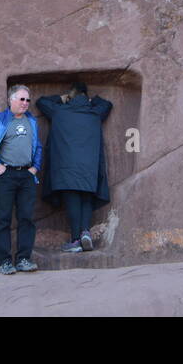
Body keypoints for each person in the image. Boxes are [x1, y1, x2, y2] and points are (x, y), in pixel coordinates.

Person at [37, 81, 112, 253]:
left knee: (72, 202)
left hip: (66, 167)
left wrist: (60, 98)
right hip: (89, 166)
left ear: (70, 96)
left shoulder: (59, 110)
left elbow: (41, 102)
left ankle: (76, 240)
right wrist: (92, 100)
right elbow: (107, 104)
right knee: (86, 199)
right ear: (85, 95)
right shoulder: (94, 112)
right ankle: (85, 232)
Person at [0, 84, 42, 274]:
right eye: (21, 99)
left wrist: (35, 168)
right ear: (10, 100)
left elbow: (37, 146)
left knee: (27, 218)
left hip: (27, 176)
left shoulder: (32, 121)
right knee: (3, 219)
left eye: (27, 100)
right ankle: (4, 262)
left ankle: (23, 259)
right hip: (6, 175)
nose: (25, 103)